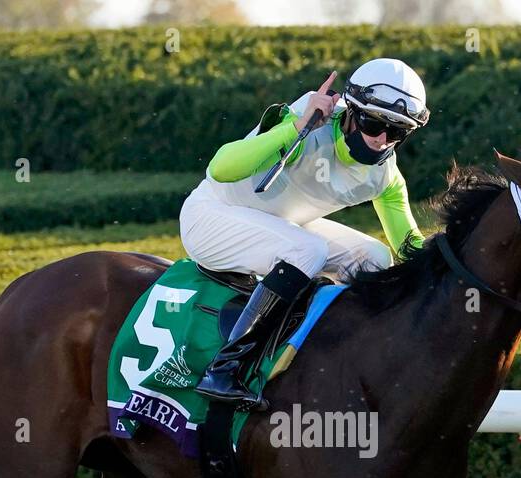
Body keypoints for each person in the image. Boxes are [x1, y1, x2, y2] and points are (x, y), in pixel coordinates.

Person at [179, 58, 430, 409]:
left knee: (375, 257)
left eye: (398, 131)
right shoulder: (307, 116)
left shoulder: (385, 176)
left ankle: (339, 359)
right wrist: (296, 126)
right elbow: (220, 170)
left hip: (283, 228)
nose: (382, 139)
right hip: (212, 217)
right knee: (307, 250)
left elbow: (409, 247)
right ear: (352, 111)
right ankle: (224, 370)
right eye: (374, 123)